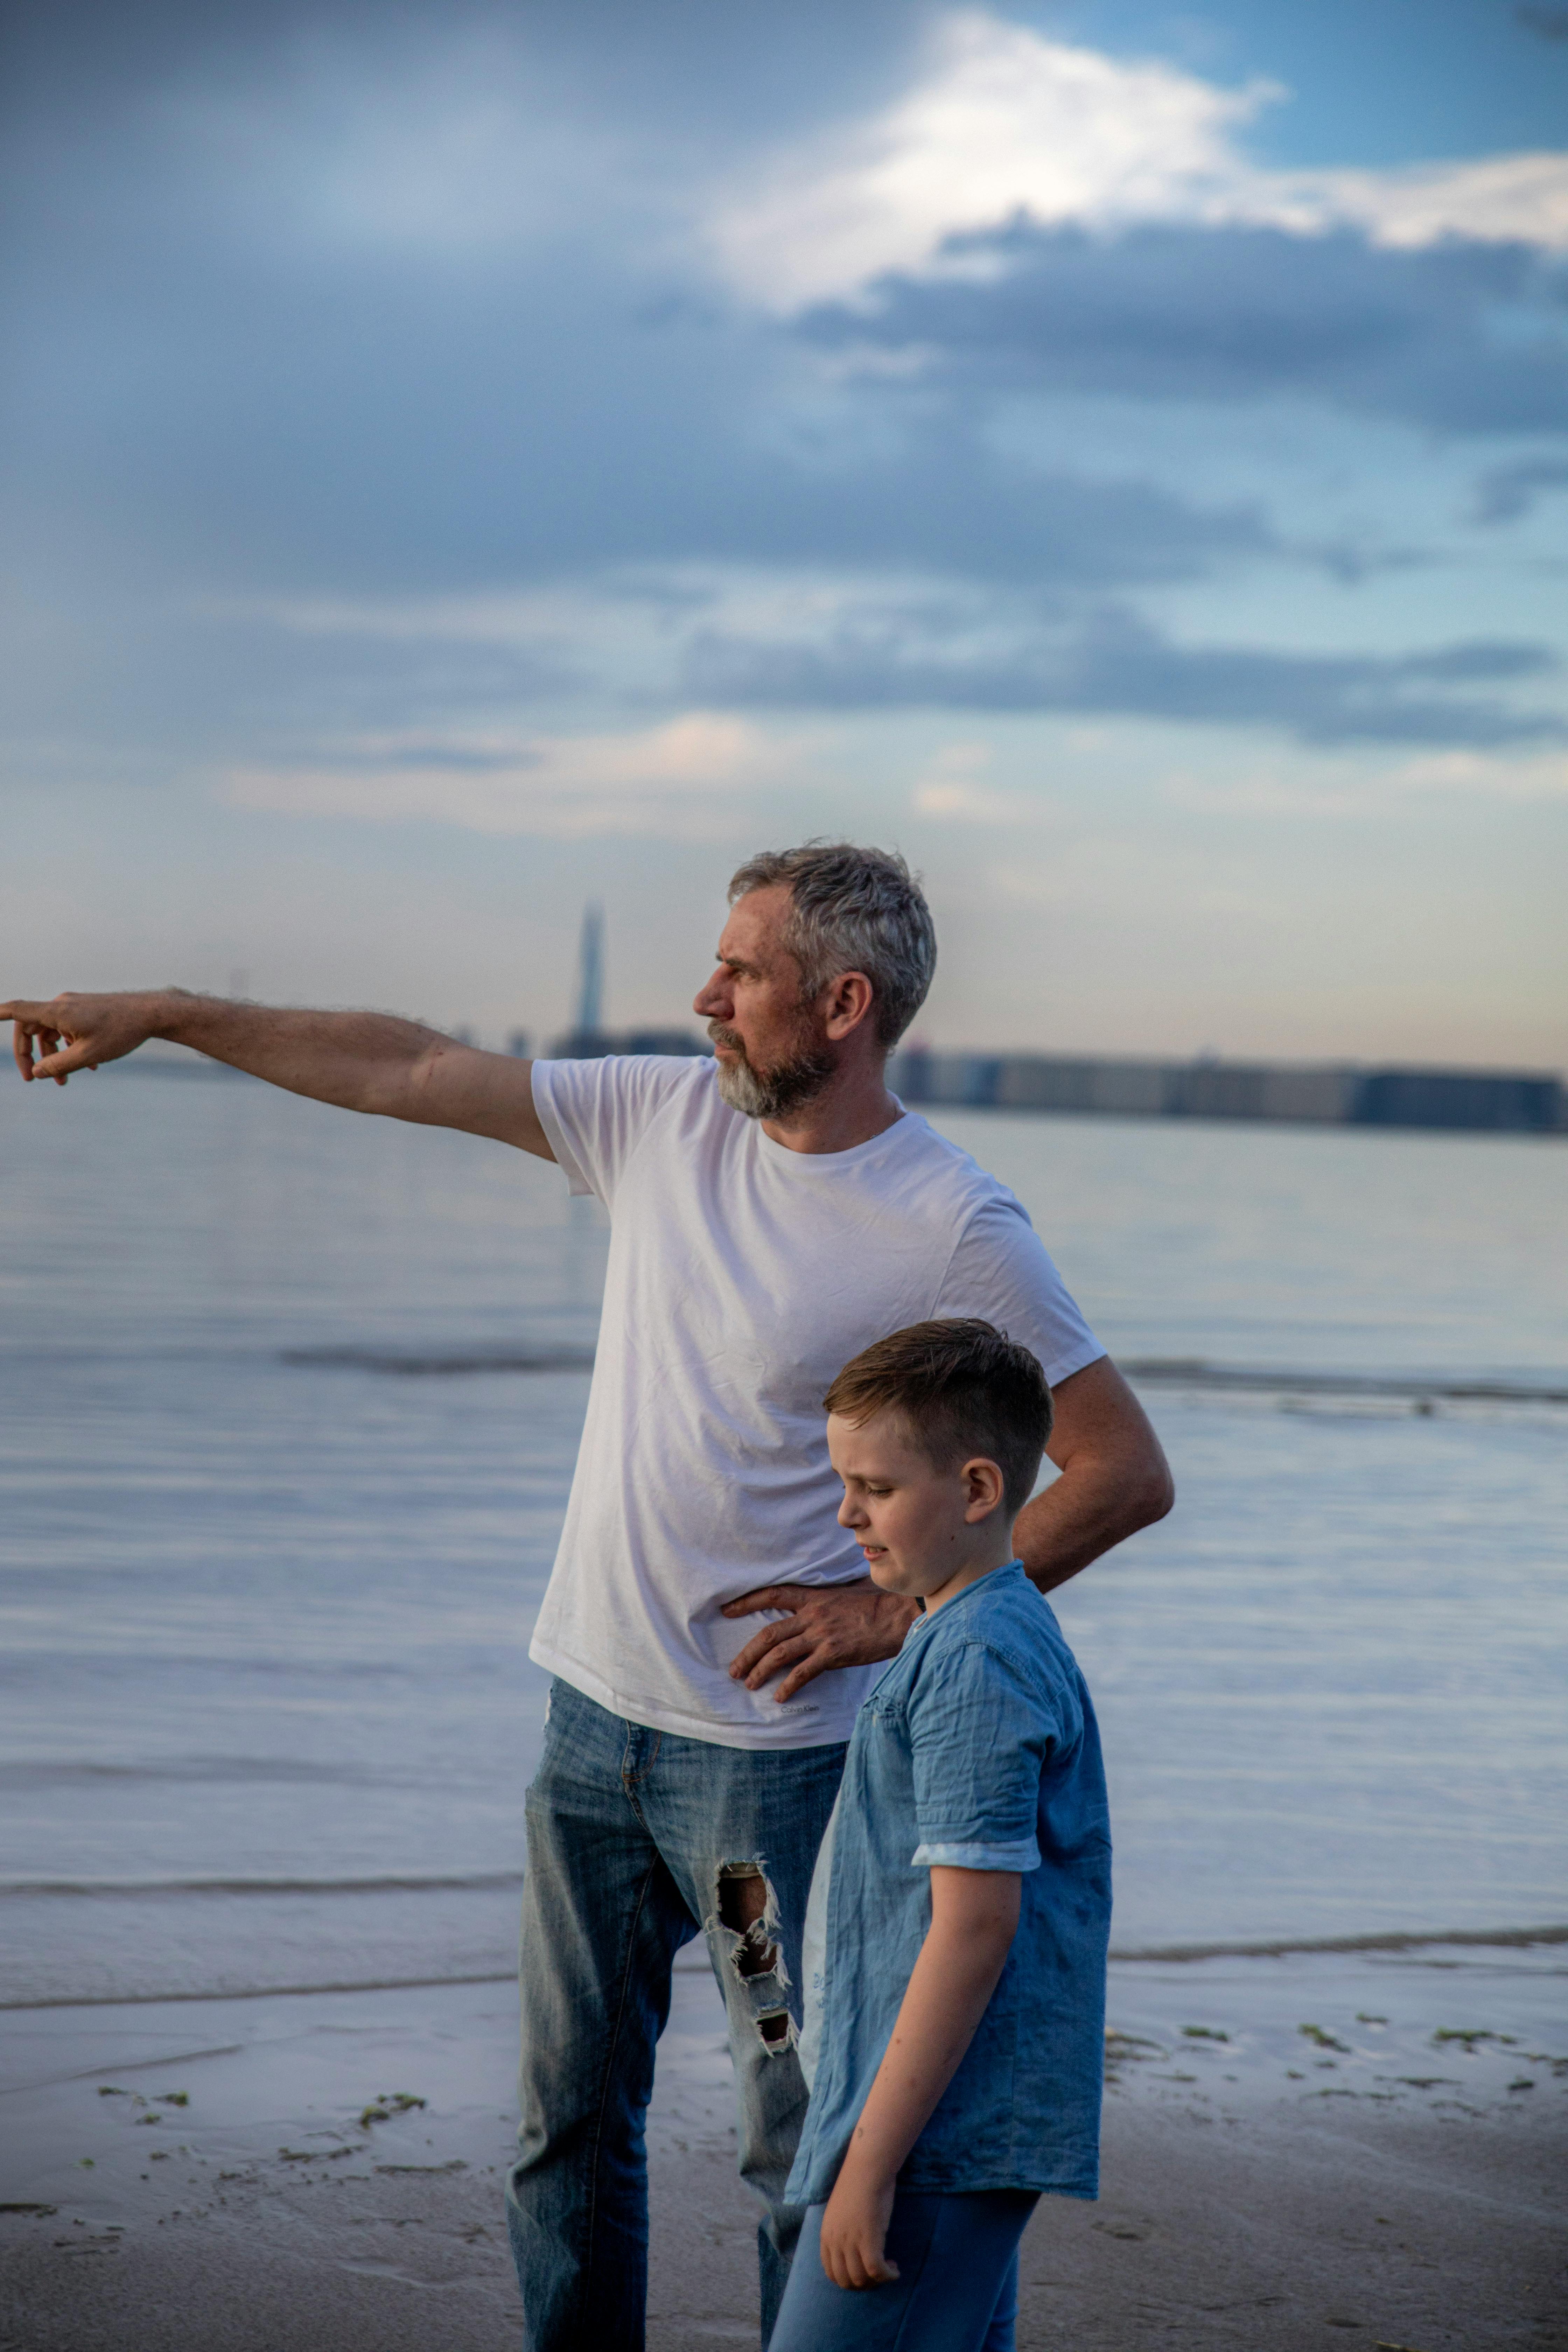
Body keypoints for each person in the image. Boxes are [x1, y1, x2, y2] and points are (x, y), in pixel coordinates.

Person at [2, 841, 1171, 2350]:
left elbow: (1118, 1470)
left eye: (740, 973)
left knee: (784, 2136)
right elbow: (408, 1068)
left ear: (842, 1003)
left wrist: (889, 1618)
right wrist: (167, 1012)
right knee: (562, 2131)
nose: (705, 996)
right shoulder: (660, 1116)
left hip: (768, 1792)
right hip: (588, 1753)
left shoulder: (950, 1225)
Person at [772, 1317, 1110, 2352]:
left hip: (936, 2137)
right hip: (954, 2127)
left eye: (875, 1489)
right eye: (844, 1485)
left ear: (976, 1490)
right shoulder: (971, 1625)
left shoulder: (972, 1661)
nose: (847, 1516)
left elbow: (973, 1929)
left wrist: (864, 2171)